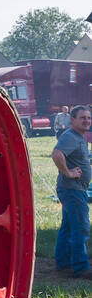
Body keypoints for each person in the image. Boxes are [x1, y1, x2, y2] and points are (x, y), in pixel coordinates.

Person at [51, 104, 92, 278]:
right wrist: (67, 172)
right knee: (81, 226)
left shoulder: (78, 136)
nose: (87, 121)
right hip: (72, 190)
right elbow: (56, 154)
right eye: (82, 117)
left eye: (89, 118)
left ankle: (63, 261)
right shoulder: (71, 136)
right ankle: (81, 266)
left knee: (68, 226)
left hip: (73, 189)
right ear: (72, 119)